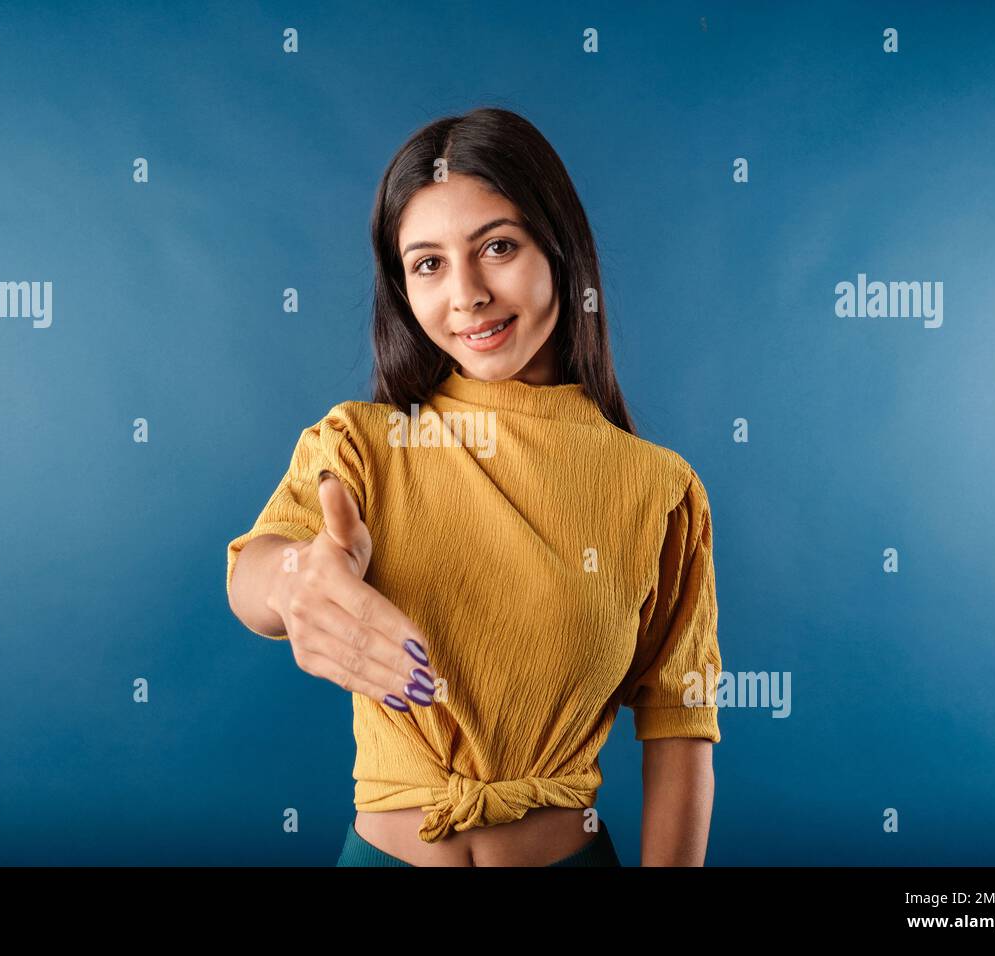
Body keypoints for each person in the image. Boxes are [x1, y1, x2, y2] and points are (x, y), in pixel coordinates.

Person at [226, 107, 722, 867]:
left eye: (497, 247)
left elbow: (681, 734)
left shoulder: (659, 489)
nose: (467, 294)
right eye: (427, 263)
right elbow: (254, 571)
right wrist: (294, 581)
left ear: (560, 249)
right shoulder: (364, 442)